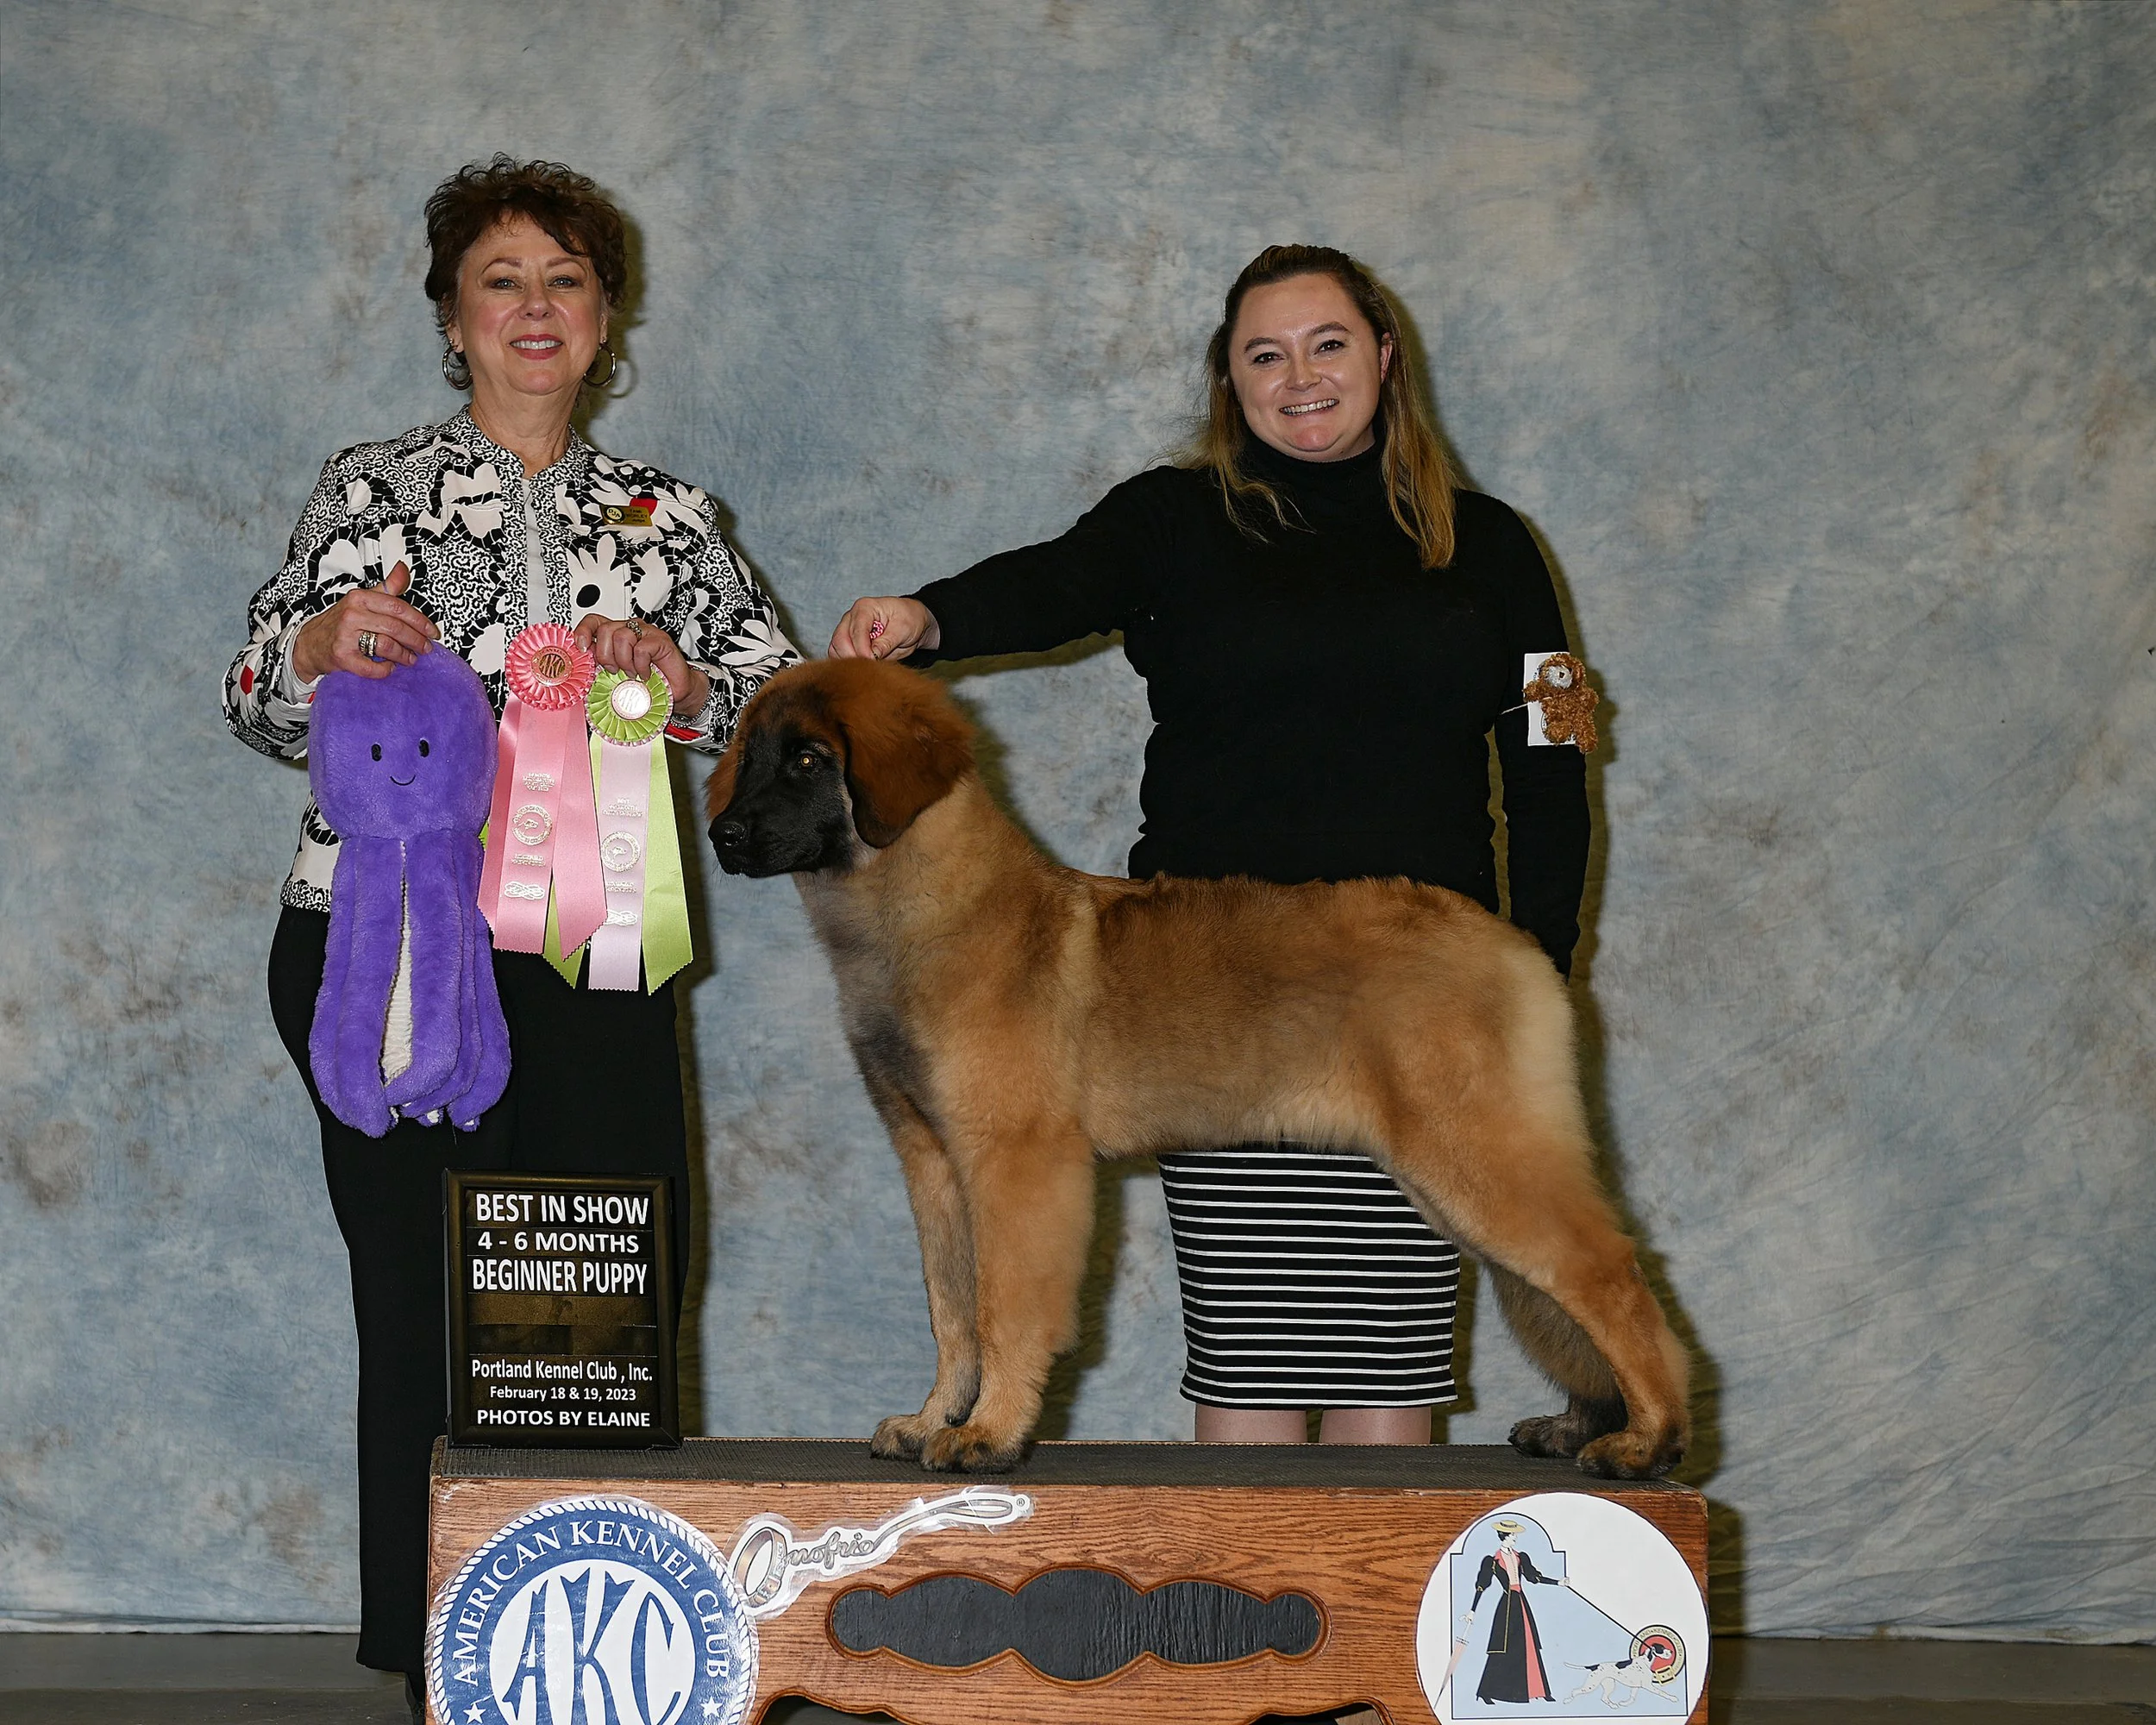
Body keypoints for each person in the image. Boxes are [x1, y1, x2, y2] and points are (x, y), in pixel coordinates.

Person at [830, 243, 1589, 1449]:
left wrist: (1537, 958)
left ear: (1386, 358)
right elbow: (1051, 583)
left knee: (1389, 1362)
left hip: (1412, 990)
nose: (1299, 376)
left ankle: (1365, 1628)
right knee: (1251, 1347)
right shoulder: (1171, 521)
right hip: (1210, 988)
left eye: (1328, 344)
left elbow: (1553, 758)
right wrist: (931, 616)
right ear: (1229, 382)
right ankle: (1246, 1631)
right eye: (1263, 356)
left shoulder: (1494, 547)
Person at [222, 157, 798, 1712]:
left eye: (565, 279)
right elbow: (257, 694)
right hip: (383, 956)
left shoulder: (669, 515)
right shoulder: (370, 490)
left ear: (606, 319)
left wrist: (680, 682)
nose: (534, 307)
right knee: (418, 1297)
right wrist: (322, 642)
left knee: (603, 1286)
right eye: (502, 279)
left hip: (598, 952)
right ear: (452, 318)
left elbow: (780, 718)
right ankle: (439, 1663)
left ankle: (613, 1656)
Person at [1463, 1520, 1568, 1703]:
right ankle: (1485, 1692)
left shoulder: (1521, 1557)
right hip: (1507, 1604)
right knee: (1501, 1647)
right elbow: (1482, 1585)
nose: (1515, 1539)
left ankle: (1540, 1690)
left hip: (1520, 1603)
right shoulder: (1492, 1560)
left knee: (1529, 1644)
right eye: (1513, 1536)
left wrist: (1558, 1582)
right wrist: (1472, 1611)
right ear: (1505, 1536)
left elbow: (1533, 1577)